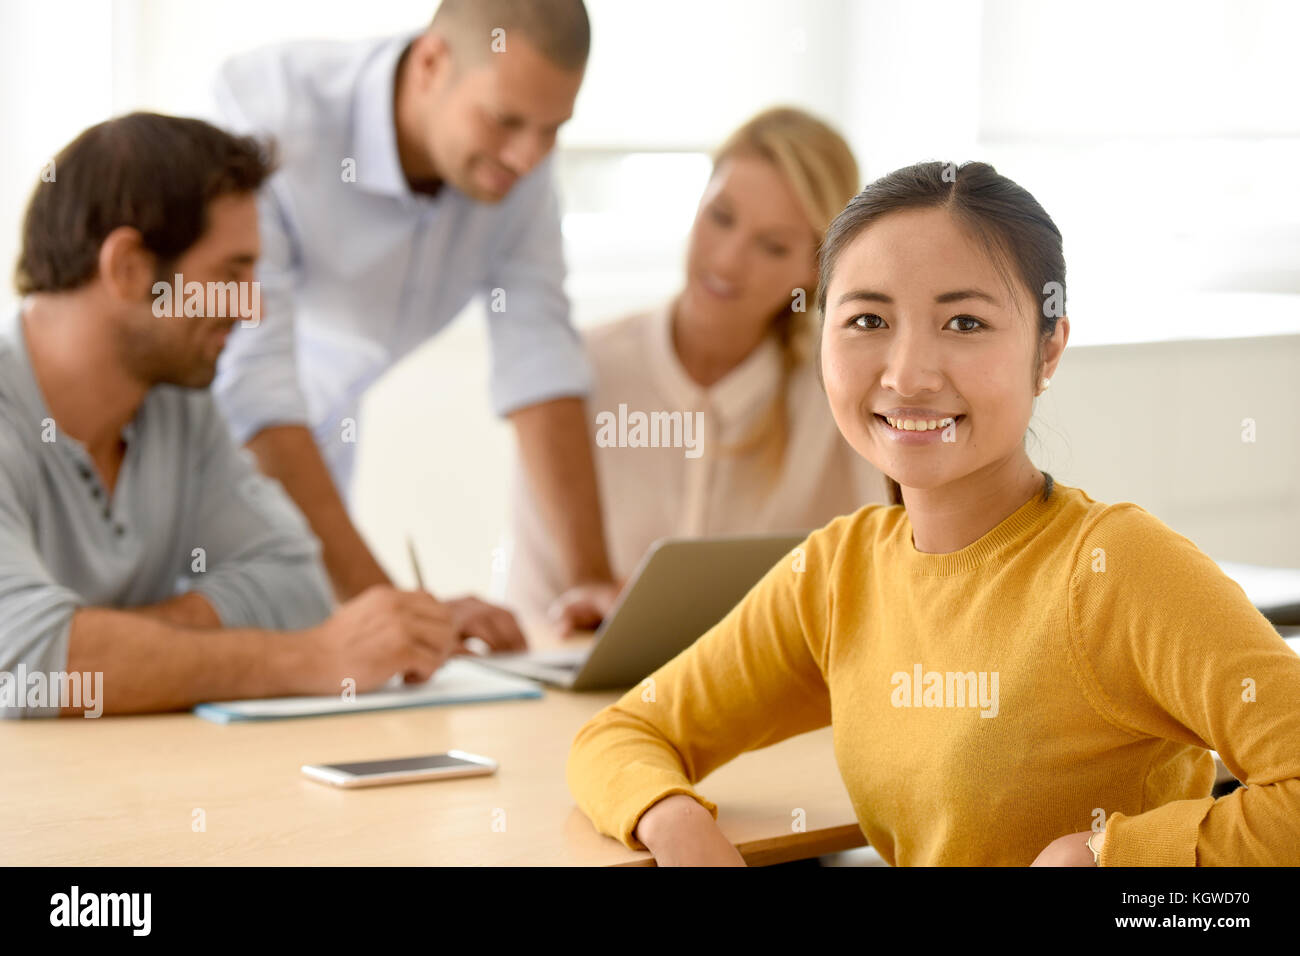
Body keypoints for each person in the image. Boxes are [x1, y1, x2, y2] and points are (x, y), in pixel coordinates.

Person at [566, 161, 1300, 866]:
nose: (908, 374)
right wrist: (675, 822)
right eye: (866, 320)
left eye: (966, 324)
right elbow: (624, 731)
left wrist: (1109, 856)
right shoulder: (836, 572)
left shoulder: (1114, 568)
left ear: (1049, 351)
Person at [0, 113, 477, 718]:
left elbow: (295, 583)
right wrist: (308, 660)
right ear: (126, 268)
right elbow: (26, 665)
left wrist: (106, 643)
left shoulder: (180, 405)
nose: (252, 310)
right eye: (231, 275)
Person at [210, 0, 620, 640]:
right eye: (505, 120)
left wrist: (591, 580)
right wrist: (399, 615)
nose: (528, 157)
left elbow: (539, 355)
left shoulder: (520, 171)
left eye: (552, 130)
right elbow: (253, 385)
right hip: (201, 460)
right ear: (432, 62)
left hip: (315, 467)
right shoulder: (273, 113)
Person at [506, 107, 888, 623]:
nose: (728, 261)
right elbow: (534, 605)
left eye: (772, 246)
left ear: (814, 268)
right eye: (721, 217)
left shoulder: (839, 392)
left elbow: (882, 583)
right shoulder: (578, 372)